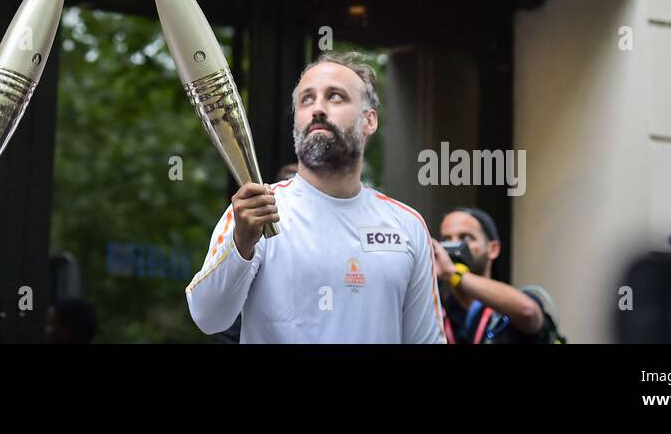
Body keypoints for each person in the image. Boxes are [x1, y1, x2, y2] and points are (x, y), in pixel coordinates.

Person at [186, 52, 444, 343]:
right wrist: (241, 242)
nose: (318, 109)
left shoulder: (407, 225)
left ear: (369, 121)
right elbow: (208, 318)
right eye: (307, 99)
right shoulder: (256, 211)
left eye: (335, 97)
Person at [435, 207, 564, 344]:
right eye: (446, 239)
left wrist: (455, 274)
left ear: (493, 249)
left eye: (466, 238)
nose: (454, 245)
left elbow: (528, 312)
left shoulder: (510, 304)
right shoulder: (438, 311)